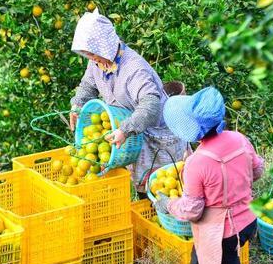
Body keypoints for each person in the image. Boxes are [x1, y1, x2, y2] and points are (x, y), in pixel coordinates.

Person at [154, 86, 273, 264]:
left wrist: (166, 203)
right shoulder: (238, 139)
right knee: (202, 257)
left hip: (223, 234)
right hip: (247, 222)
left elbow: (193, 210)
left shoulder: (196, 164)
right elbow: (257, 170)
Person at [69, 10, 187, 195]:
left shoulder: (133, 70)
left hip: (157, 135)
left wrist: (125, 129)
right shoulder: (98, 62)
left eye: (92, 53)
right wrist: (77, 104)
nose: (90, 58)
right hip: (133, 133)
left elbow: (150, 105)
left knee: (168, 187)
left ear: (103, 46)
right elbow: (88, 84)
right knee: (145, 188)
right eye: (87, 54)